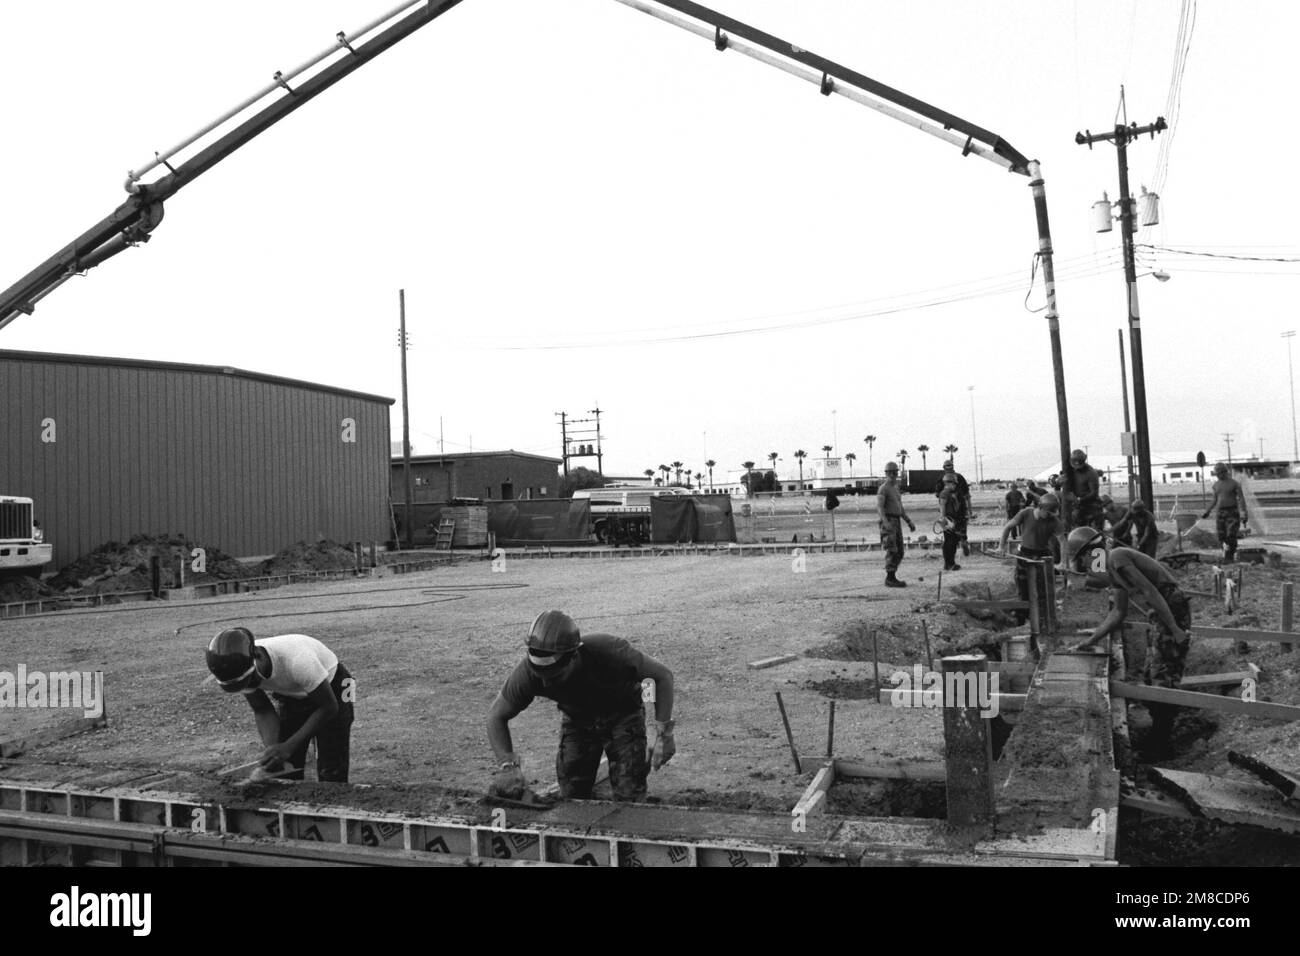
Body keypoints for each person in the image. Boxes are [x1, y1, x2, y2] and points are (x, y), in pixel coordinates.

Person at [486, 611, 675, 802]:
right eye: (540, 675)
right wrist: (507, 765)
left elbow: (661, 677)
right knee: (572, 793)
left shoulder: (609, 651)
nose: (546, 682)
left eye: (555, 675)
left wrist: (664, 735)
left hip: (623, 713)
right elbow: (496, 716)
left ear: (574, 656)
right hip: (578, 719)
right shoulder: (528, 674)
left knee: (629, 794)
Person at [1066, 528, 1192, 758]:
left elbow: (1150, 591)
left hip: (1171, 608)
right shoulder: (1112, 569)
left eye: (1084, 559)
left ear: (1091, 552)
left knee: (1164, 676)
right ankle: (1156, 736)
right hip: (1162, 612)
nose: (1086, 565)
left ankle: (1162, 746)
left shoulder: (1117, 557)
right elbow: (1118, 612)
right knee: (1152, 674)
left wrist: (1174, 629)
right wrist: (1092, 640)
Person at [205, 627, 355, 782]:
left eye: (250, 681)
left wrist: (288, 746)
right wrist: (274, 750)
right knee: (286, 768)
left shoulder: (299, 660)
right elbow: (262, 710)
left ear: (257, 657)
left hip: (336, 685)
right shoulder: (240, 668)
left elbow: (329, 707)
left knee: (332, 761)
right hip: (293, 692)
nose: (250, 686)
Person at [998, 492, 1061, 627]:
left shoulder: (1053, 521)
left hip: (1043, 556)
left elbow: (1063, 541)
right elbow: (1008, 527)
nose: (1051, 516)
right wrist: (1001, 546)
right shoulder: (1026, 513)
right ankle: (1022, 619)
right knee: (1023, 589)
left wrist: (1063, 562)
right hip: (1024, 555)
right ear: (1041, 508)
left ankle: (1044, 620)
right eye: (1049, 513)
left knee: (1044, 590)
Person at [877, 461, 916, 587]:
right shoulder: (884, 488)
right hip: (889, 521)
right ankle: (890, 578)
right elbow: (880, 507)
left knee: (900, 551)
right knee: (892, 549)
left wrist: (908, 521)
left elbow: (900, 507)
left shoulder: (895, 488)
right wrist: (885, 521)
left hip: (896, 521)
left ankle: (892, 575)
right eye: (891, 473)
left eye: (895, 472)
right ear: (887, 473)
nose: (894, 475)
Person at [1201, 463, 1248, 563]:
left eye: (1220, 473)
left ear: (1225, 472)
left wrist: (1243, 512)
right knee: (1221, 536)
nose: (1218, 475)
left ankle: (1230, 556)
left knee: (1231, 535)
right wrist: (1207, 511)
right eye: (1217, 474)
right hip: (1220, 513)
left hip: (1232, 512)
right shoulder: (1216, 485)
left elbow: (1241, 499)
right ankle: (1225, 554)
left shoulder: (1234, 484)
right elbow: (1214, 500)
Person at [935, 459, 972, 557]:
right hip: (951, 512)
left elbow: (967, 495)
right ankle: (952, 554)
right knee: (952, 536)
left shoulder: (957, 478)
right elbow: (941, 499)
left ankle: (960, 544)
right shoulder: (948, 480)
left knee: (953, 535)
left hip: (956, 511)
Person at [1064, 449, 1103, 531]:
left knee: (1095, 532)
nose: (1076, 468)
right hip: (1078, 506)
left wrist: (1079, 499)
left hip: (1092, 506)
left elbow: (1094, 493)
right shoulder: (1069, 469)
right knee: (1077, 530)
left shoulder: (1091, 473)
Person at [938, 477, 963, 571]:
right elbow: (942, 507)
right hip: (948, 520)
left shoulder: (950, 494)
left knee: (953, 542)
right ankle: (949, 563)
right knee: (949, 542)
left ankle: (951, 562)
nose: (955, 486)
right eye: (954, 484)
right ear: (948, 483)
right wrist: (944, 520)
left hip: (951, 520)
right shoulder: (944, 493)